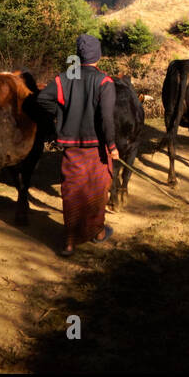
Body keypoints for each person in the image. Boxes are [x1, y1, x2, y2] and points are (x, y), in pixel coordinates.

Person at [36, 34, 119, 256]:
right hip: (97, 149)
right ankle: (98, 232)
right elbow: (107, 120)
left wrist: (61, 114)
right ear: (98, 56)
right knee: (98, 189)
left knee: (71, 192)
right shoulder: (105, 82)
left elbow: (42, 99)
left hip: (71, 149)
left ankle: (70, 242)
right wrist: (112, 146)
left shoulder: (64, 79)